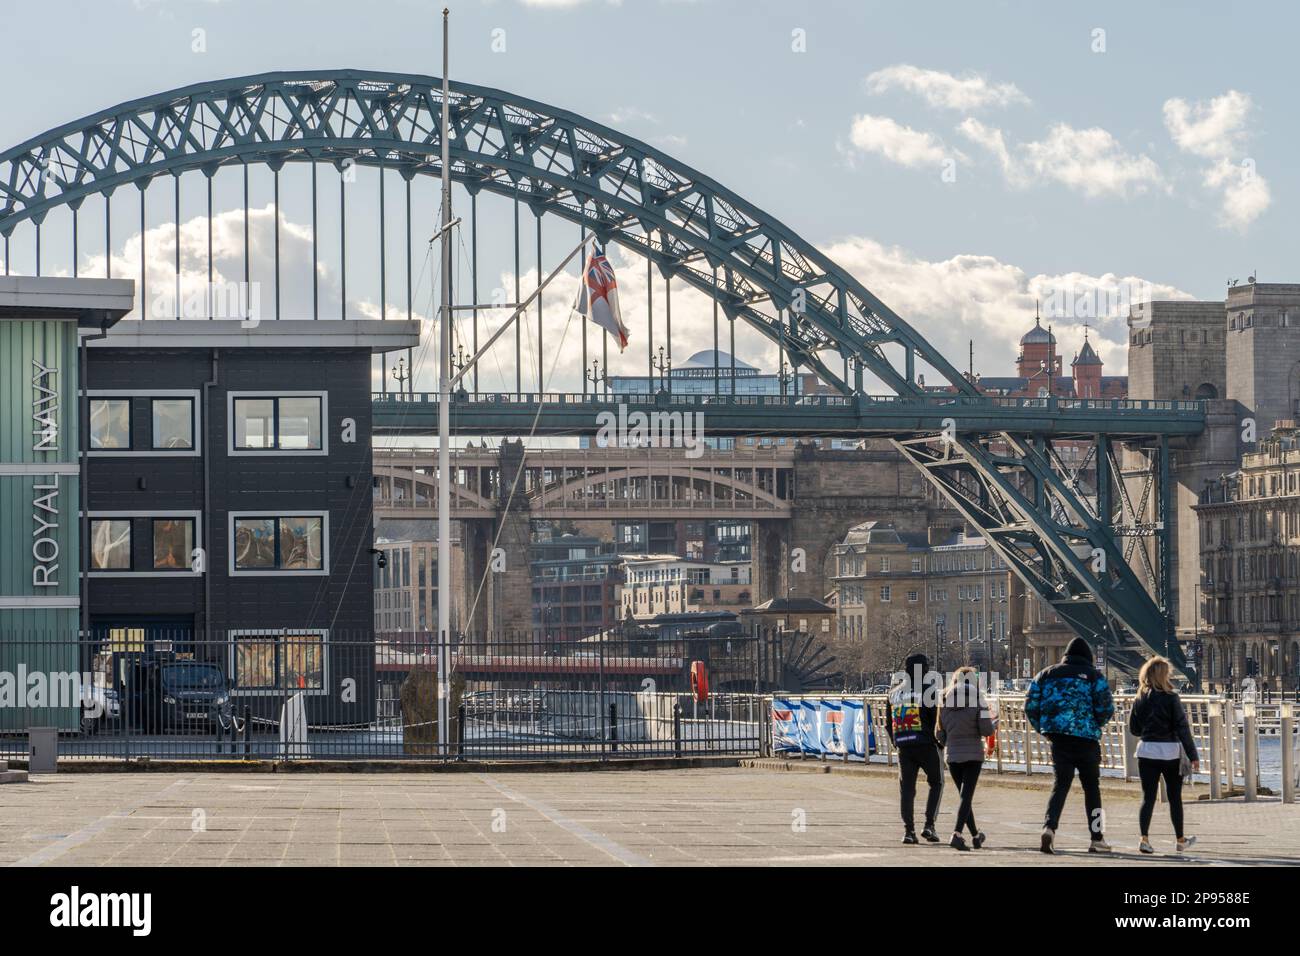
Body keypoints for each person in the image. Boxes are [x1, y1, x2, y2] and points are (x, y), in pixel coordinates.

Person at [1024, 636, 1115, 854]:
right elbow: (1106, 708)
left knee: (1061, 785)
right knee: (1092, 788)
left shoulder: (1045, 674)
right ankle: (1097, 838)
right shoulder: (1095, 676)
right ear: (1087, 657)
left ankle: (1049, 827)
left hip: (1059, 739)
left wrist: (1044, 728)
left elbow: (1030, 705)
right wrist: (1094, 724)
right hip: (1087, 739)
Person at [1129, 656, 1199, 854]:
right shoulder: (1171, 697)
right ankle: (1180, 840)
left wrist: (1147, 731)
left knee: (1148, 798)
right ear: (1163, 675)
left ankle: (1144, 839)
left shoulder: (1139, 697)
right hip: (1170, 753)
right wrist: (1193, 755)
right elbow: (1182, 727)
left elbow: (1133, 728)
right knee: (1175, 798)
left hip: (1146, 751)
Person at [937, 666, 996, 851]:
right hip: (973, 754)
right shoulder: (980, 699)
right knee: (966, 796)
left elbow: (939, 732)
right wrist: (993, 723)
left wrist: (950, 741)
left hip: (952, 755)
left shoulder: (943, 699)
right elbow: (986, 730)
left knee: (965, 797)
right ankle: (956, 834)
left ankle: (976, 836)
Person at [887, 653, 943, 845]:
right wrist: (940, 742)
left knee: (907, 789)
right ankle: (929, 824)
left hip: (904, 745)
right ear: (923, 669)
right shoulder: (929, 690)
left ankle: (908, 831)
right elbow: (937, 719)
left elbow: (889, 723)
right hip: (926, 744)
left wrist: (896, 742)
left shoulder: (893, 693)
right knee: (936, 782)